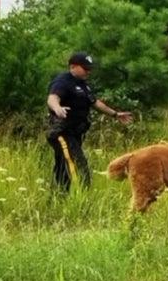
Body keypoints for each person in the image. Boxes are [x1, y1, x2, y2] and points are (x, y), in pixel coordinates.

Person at [45, 52, 133, 193]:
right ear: (73, 66)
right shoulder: (62, 81)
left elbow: (95, 102)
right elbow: (52, 98)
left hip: (75, 133)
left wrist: (115, 114)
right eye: (85, 68)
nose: (89, 71)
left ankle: (58, 198)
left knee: (63, 166)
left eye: (90, 68)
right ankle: (84, 199)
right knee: (79, 165)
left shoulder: (83, 85)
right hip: (62, 133)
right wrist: (57, 108)